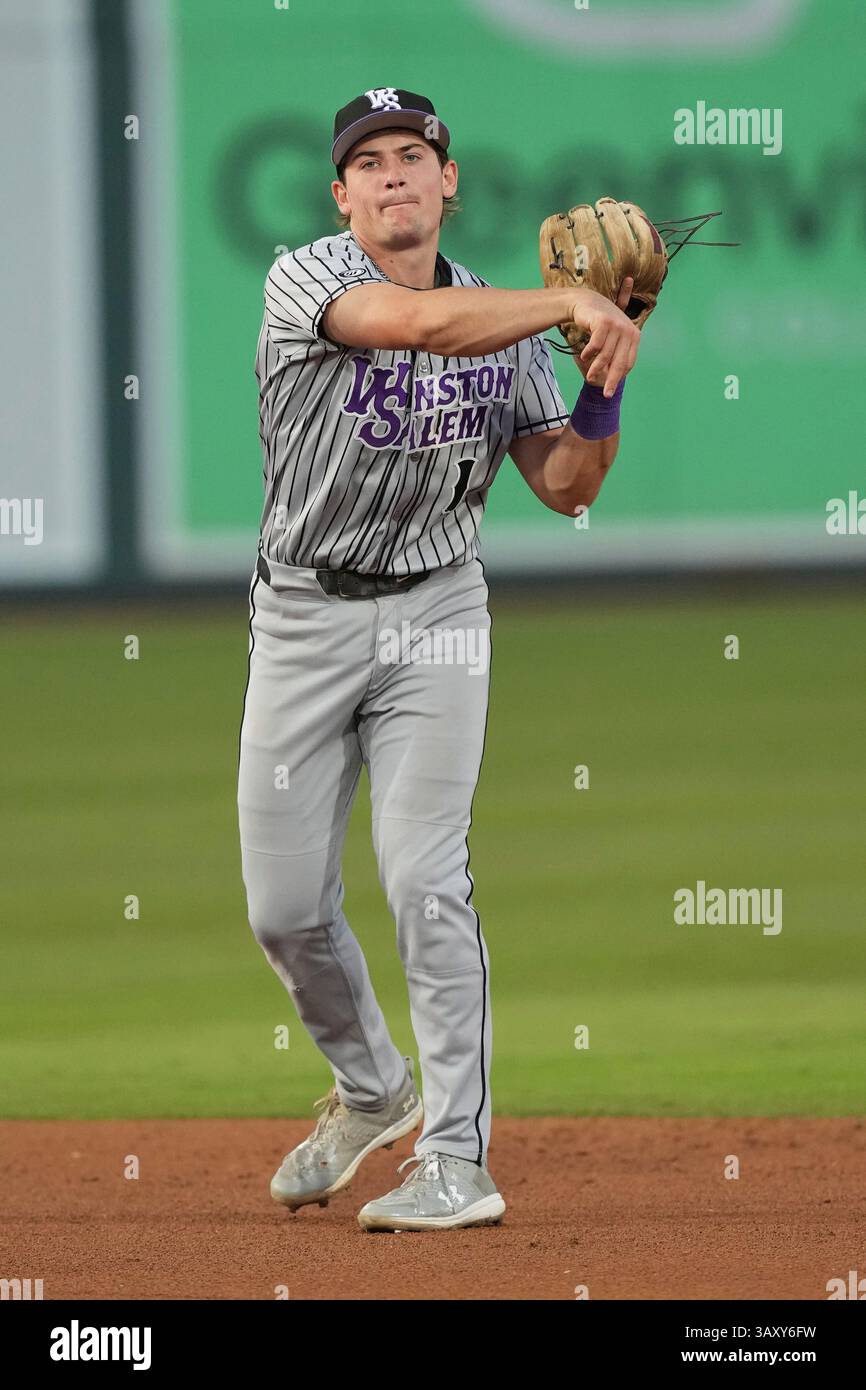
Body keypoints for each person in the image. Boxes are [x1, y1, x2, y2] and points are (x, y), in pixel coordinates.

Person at [237, 87, 639, 1232]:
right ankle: (373, 1089)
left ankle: (457, 1156)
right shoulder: (305, 281)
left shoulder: (498, 319)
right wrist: (569, 302)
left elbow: (564, 487)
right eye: (369, 164)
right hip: (305, 616)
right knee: (283, 910)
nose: (393, 176)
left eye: (413, 155)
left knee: (423, 879)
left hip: (437, 612)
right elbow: (412, 329)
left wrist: (607, 372)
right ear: (340, 197)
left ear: (448, 181)